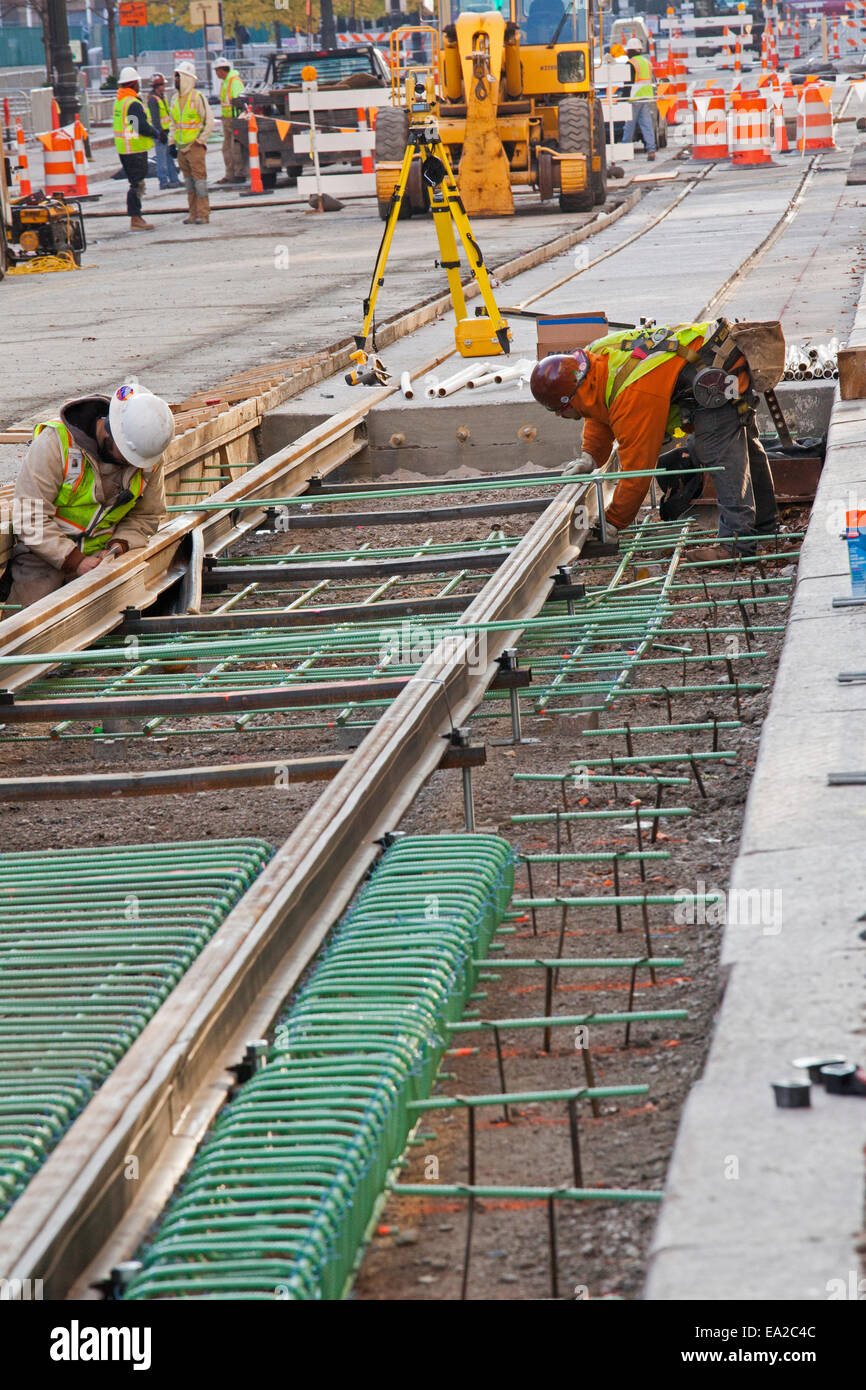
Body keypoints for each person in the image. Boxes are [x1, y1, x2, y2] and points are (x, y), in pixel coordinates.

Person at [529, 319, 780, 560]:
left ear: (571, 399)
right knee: (742, 443)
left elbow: (637, 473)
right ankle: (765, 526)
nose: (563, 416)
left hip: (717, 369)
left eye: (561, 411)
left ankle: (738, 545)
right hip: (715, 350)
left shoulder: (633, 397)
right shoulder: (591, 360)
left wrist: (614, 521)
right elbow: (598, 406)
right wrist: (591, 456)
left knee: (719, 452)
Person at [9, 382, 175, 608]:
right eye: (125, 457)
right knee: (29, 627)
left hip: (103, 559)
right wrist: (74, 560)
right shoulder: (56, 444)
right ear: (110, 432)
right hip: (43, 557)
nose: (130, 465)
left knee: (122, 611)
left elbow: (147, 516)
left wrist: (120, 545)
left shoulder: (146, 455)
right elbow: (30, 518)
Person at [113, 66, 166, 231]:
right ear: (134, 83)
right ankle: (135, 218)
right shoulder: (132, 103)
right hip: (134, 149)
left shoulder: (120, 101)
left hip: (125, 149)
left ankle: (136, 217)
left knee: (135, 183)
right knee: (137, 184)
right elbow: (139, 126)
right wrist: (156, 133)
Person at [169, 59, 216, 226]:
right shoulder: (174, 99)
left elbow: (209, 121)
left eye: (178, 77)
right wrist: (171, 143)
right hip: (181, 148)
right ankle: (193, 213)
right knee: (189, 184)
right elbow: (173, 123)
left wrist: (199, 141)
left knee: (200, 183)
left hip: (194, 147)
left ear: (186, 79)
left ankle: (203, 214)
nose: (175, 80)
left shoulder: (198, 98)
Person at [620, 38, 656, 161]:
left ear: (630, 51)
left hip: (635, 97)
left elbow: (628, 84)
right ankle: (651, 150)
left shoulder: (631, 63)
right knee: (646, 125)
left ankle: (624, 151)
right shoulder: (646, 62)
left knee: (629, 125)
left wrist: (623, 99)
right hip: (646, 97)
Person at [213, 56, 246, 185]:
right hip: (227, 119)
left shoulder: (234, 81)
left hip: (234, 119)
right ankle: (230, 174)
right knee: (227, 148)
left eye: (216, 70)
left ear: (222, 70)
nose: (216, 73)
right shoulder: (226, 81)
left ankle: (238, 173)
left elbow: (239, 101)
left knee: (234, 147)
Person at [147, 73, 182, 190]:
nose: (164, 87)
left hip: (166, 131)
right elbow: (155, 119)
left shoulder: (162, 97)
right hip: (160, 133)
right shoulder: (153, 100)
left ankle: (174, 180)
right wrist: (160, 133)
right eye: (162, 84)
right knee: (162, 158)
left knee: (169, 157)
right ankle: (163, 182)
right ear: (157, 86)